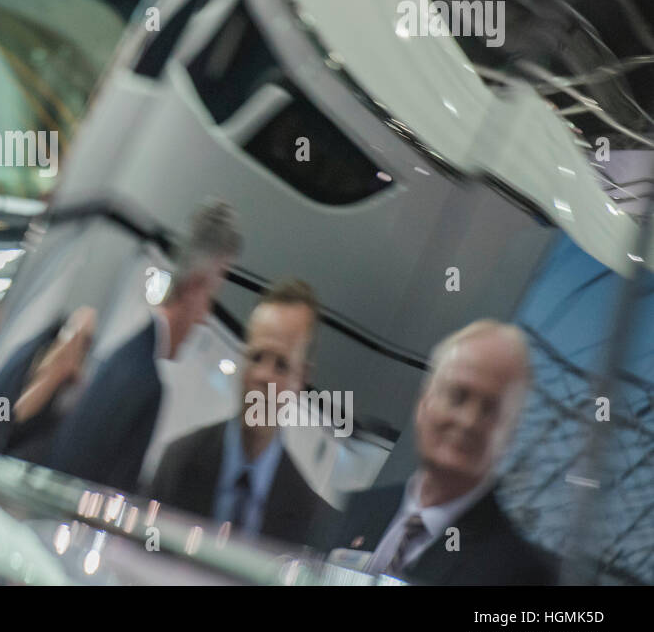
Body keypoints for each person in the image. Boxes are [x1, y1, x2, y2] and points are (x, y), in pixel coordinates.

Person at [324, 320, 558, 584]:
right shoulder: (357, 510)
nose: (468, 421)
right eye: (458, 396)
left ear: (510, 434)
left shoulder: (520, 575)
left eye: (490, 409)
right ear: (424, 403)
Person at [42, 198, 241, 492]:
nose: (204, 318)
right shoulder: (147, 384)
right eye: (209, 299)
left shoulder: (123, 356)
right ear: (195, 287)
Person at [148, 279, 335, 547]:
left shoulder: (311, 521)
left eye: (281, 365)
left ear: (301, 380)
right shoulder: (177, 464)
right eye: (256, 357)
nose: (262, 376)